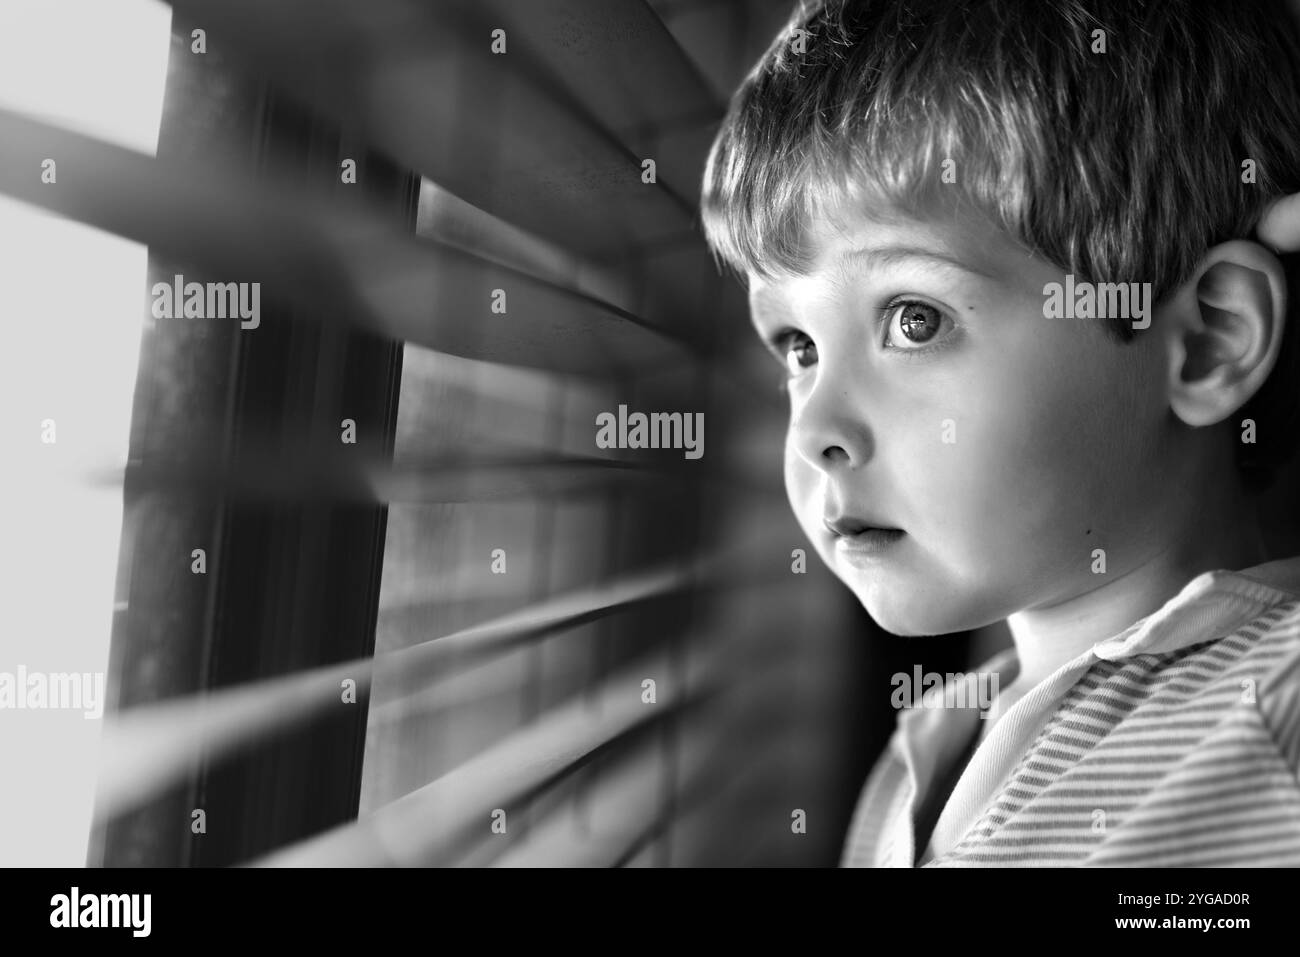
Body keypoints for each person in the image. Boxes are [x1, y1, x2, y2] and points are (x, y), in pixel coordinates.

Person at [700, 0, 1300, 866]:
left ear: (1208, 342)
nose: (816, 430)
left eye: (913, 319)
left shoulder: (1275, 712)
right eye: (798, 346)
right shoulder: (917, 759)